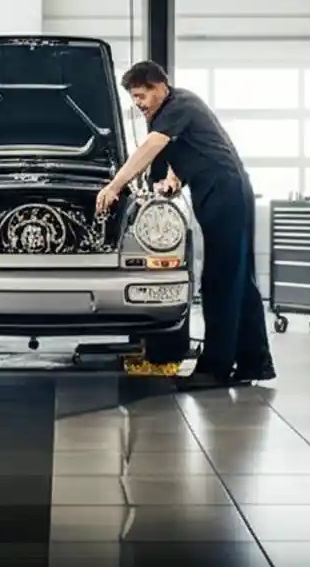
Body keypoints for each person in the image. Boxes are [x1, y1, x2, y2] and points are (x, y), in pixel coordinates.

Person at [95, 60, 275, 386]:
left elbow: (151, 148)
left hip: (224, 192)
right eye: (134, 98)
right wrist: (173, 180)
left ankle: (215, 369)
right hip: (225, 190)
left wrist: (114, 185)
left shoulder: (179, 104)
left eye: (142, 96)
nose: (138, 104)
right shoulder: (173, 111)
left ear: (160, 87)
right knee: (239, 280)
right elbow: (195, 148)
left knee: (220, 278)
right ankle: (254, 363)